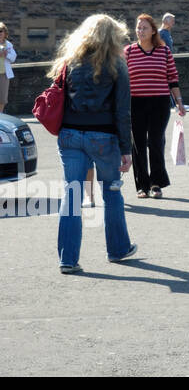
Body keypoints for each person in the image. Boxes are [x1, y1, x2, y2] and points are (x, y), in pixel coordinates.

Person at [50, 14, 138, 273]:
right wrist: (126, 149)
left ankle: (67, 258)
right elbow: (123, 112)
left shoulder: (69, 62)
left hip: (70, 133)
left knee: (72, 193)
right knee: (111, 192)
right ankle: (118, 249)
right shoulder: (117, 65)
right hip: (104, 136)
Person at [124, 13, 185, 199]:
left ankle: (156, 183)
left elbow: (172, 79)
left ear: (153, 31)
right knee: (139, 144)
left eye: (144, 28)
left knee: (156, 142)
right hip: (136, 103)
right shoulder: (129, 51)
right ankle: (142, 185)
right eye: (138, 27)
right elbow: (122, 80)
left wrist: (179, 103)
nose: (140, 31)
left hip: (159, 102)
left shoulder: (164, 51)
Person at [0, 21, 15, 114]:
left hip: (4, 75)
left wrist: (6, 54)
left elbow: (13, 58)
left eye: (1, 31)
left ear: (5, 33)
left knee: (2, 98)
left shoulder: (9, 45)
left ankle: (0, 116)